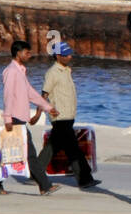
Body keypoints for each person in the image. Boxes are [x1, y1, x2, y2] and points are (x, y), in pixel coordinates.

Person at [0, 40, 60, 196]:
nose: (29, 55)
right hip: (14, 118)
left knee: (9, 153)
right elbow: (7, 96)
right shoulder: (11, 71)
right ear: (18, 53)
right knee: (29, 154)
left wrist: (48, 107)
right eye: (27, 52)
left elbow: (30, 92)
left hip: (19, 118)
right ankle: (45, 185)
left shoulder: (20, 71)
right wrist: (7, 118)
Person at [39, 41, 101, 190]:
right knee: (73, 149)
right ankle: (85, 179)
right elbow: (44, 94)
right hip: (60, 117)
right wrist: (41, 112)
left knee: (53, 147)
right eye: (66, 55)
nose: (69, 57)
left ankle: (35, 172)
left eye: (70, 54)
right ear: (58, 56)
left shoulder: (66, 70)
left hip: (68, 116)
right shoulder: (52, 73)